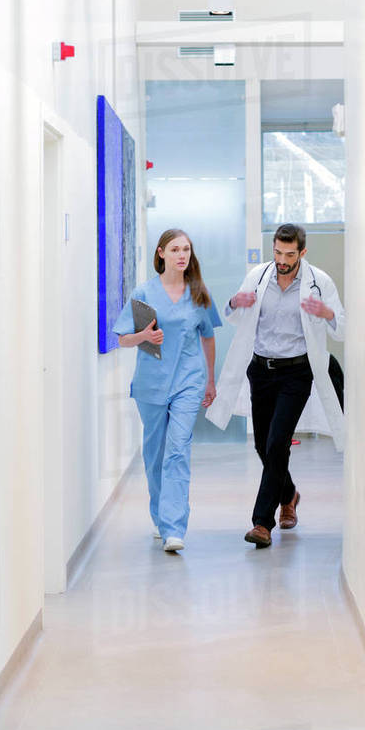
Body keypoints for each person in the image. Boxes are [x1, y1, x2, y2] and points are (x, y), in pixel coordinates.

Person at [205, 223, 346, 548]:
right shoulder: (258, 276)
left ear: (302, 252)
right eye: (278, 253)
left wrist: (326, 313)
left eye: (290, 254)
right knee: (262, 445)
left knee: (278, 442)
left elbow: (342, 327)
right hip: (261, 370)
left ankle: (262, 523)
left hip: (296, 373)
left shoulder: (319, 282)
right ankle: (289, 494)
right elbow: (235, 315)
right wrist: (234, 302)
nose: (283, 260)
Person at [113, 228, 222, 553]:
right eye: (175, 249)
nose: (182, 255)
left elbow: (208, 336)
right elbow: (122, 338)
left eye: (186, 249)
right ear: (161, 253)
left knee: (177, 451)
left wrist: (210, 380)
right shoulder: (145, 293)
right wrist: (143, 336)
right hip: (151, 385)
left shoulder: (199, 293)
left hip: (188, 383)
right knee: (155, 455)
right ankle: (162, 518)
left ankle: (174, 528)